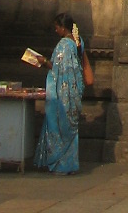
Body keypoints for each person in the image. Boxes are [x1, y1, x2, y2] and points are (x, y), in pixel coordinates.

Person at [33, 14, 84, 174]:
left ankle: (59, 164)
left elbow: (57, 68)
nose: (56, 30)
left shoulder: (64, 45)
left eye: (57, 27)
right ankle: (70, 165)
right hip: (74, 92)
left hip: (63, 95)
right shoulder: (78, 42)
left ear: (63, 28)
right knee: (70, 130)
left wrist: (43, 61)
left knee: (58, 127)